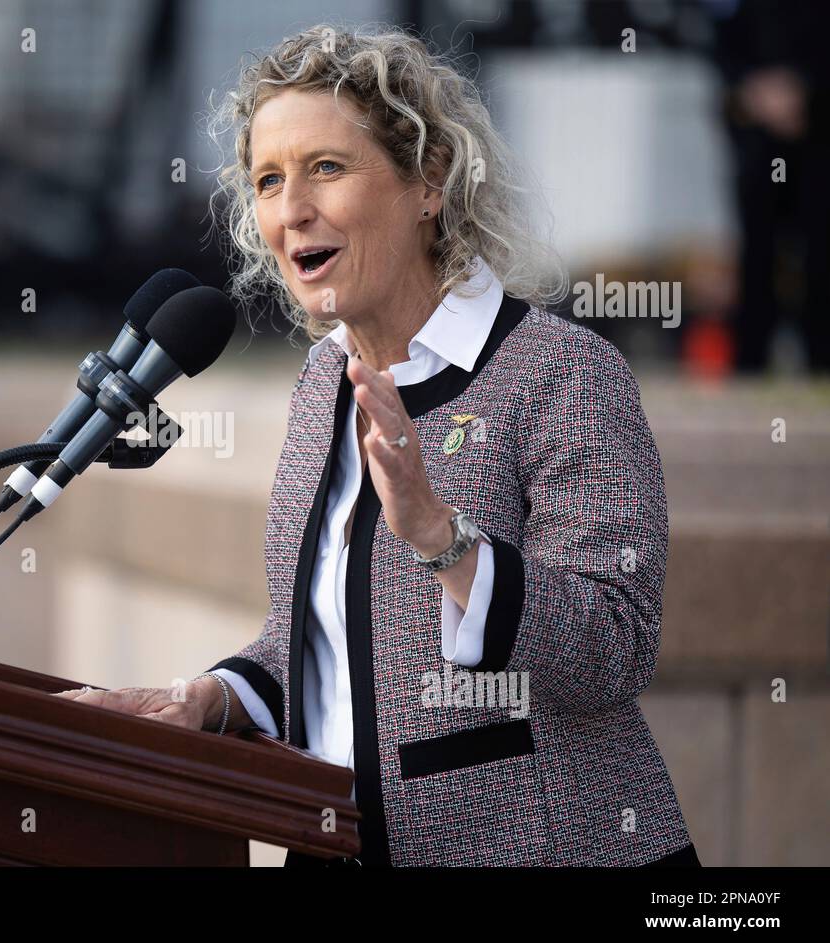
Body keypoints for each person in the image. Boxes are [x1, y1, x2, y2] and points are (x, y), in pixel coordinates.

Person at [56, 24, 698, 867]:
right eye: (268, 181)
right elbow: (323, 639)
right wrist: (210, 698)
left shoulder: (561, 373)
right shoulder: (322, 385)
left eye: (327, 167)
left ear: (428, 180)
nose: (292, 211)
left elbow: (613, 650)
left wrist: (442, 538)